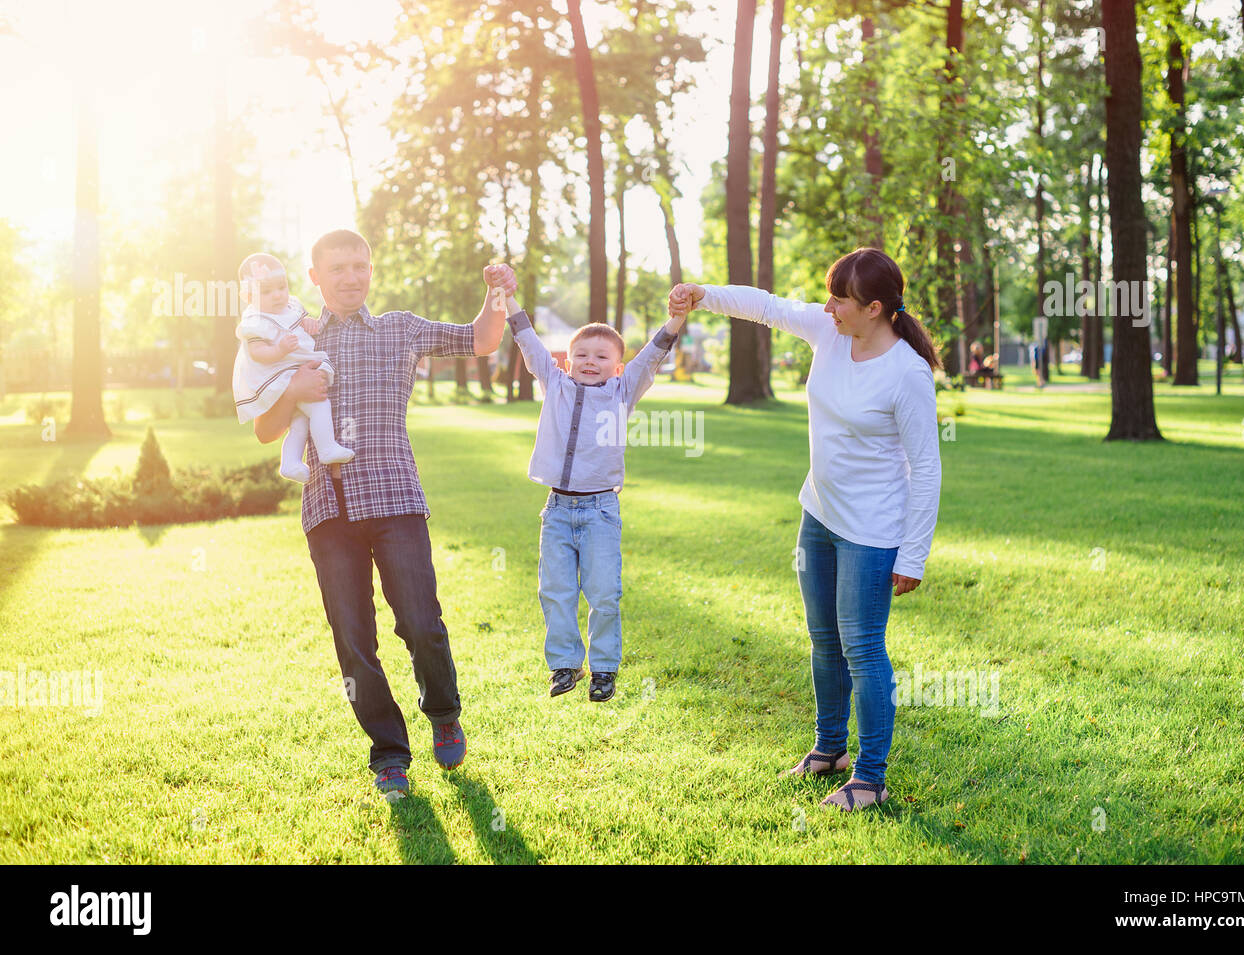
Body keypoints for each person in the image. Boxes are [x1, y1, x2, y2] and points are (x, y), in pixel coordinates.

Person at [669, 247, 942, 812]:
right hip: (818, 513)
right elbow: (767, 307)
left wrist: (912, 555)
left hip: (871, 531)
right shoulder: (830, 331)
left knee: (863, 649)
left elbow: (927, 468)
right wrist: (704, 295)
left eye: (839, 298)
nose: (828, 306)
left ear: (873, 307)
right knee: (824, 642)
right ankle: (829, 750)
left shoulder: (907, 374)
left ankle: (869, 778)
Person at [253, 229, 513, 800]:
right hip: (329, 510)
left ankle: (443, 711)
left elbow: (481, 340)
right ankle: (389, 753)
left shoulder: (402, 327)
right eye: (337, 268)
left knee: (420, 622)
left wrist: (497, 294)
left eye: (360, 266)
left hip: (396, 500)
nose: (351, 277)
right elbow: (265, 429)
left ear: (371, 270)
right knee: (353, 640)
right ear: (316, 277)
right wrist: (292, 386)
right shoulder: (294, 339)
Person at [504, 293, 687, 701]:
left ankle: (603, 668)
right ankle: (564, 665)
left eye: (601, 357)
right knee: (555, 590)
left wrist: (675, 320)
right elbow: (528, 343)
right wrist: (509, 298)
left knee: (604, 593)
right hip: (556, 511)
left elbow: (652, 357)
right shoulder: (555, 384)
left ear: (618, 367)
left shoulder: (623, 392)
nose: (590, 361)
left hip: (600, 511)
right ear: (567, 362)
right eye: (582, 354)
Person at [232, 252, 354, 482]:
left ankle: (290, 463)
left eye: (281, 287)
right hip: (282, 374)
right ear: (248, 296)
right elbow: (257, 352)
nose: (277, 295)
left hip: (298, 366)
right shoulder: (255, 322)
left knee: (300, 422)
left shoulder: (291, 306)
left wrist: (308, 323)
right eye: (266, 291)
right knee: (319, 403)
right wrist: (279, 350)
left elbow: (303, 322)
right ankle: (327, 447)